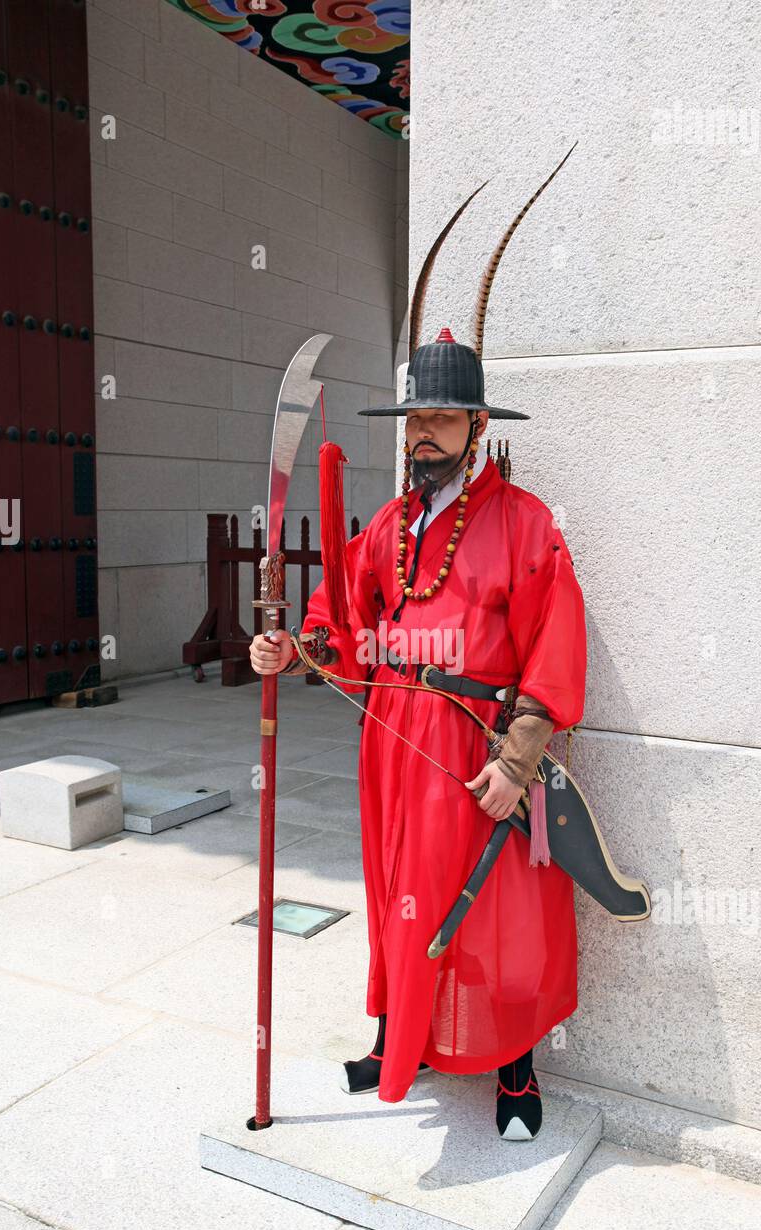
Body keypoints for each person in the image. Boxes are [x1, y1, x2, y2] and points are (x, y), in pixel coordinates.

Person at [250, 322, 587, 1141]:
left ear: (478, 427)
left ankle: (515, 1068)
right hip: (394, 742)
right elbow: (341, 620)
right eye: (414, 419)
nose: (424, 433)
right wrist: (293, 648)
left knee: (491, 907)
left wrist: (519, 758)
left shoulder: (525, 522)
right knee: (397, 892)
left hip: (477, 747)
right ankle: (403, 1037)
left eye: (441, 417)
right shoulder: (390, 527)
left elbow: (556, 642)